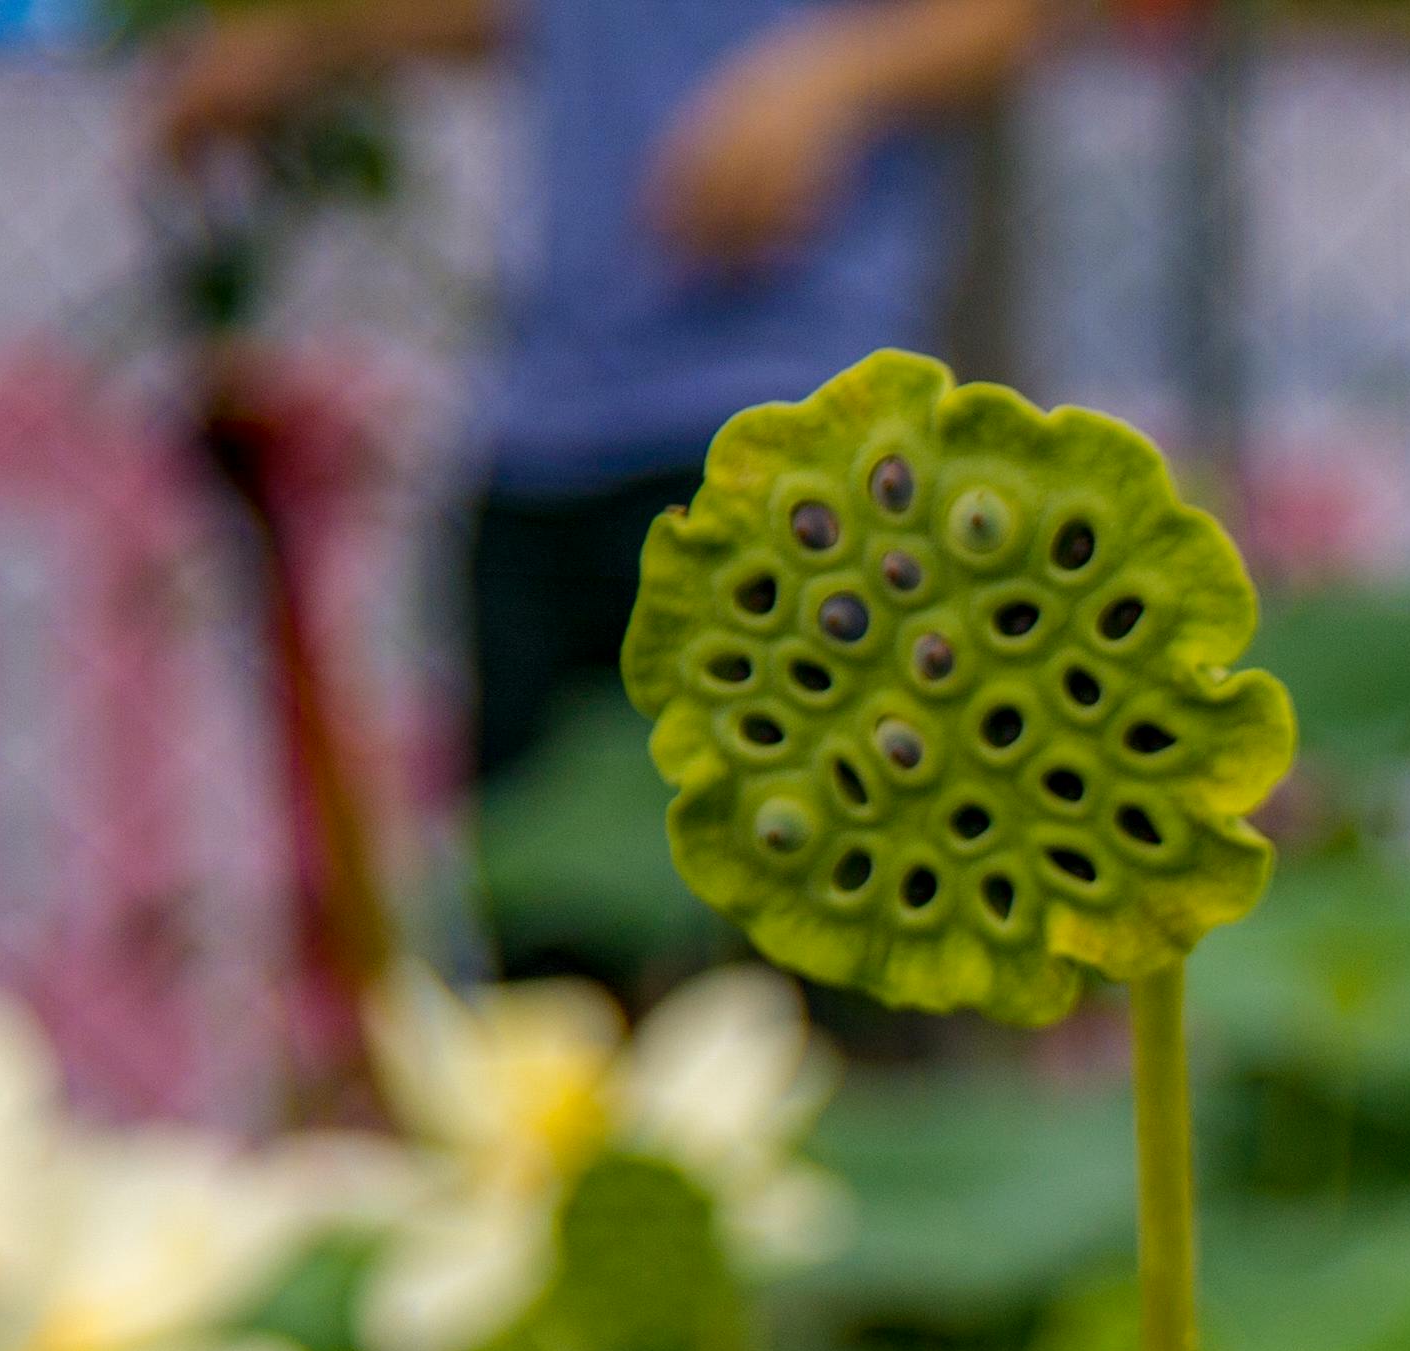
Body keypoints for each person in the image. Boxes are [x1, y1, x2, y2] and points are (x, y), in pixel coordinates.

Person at [152, 0, 1047, 788]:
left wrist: (827, 79)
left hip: (797, 419)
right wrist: (307, 41)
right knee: (542, 910)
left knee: (807, 904)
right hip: (547, 434)